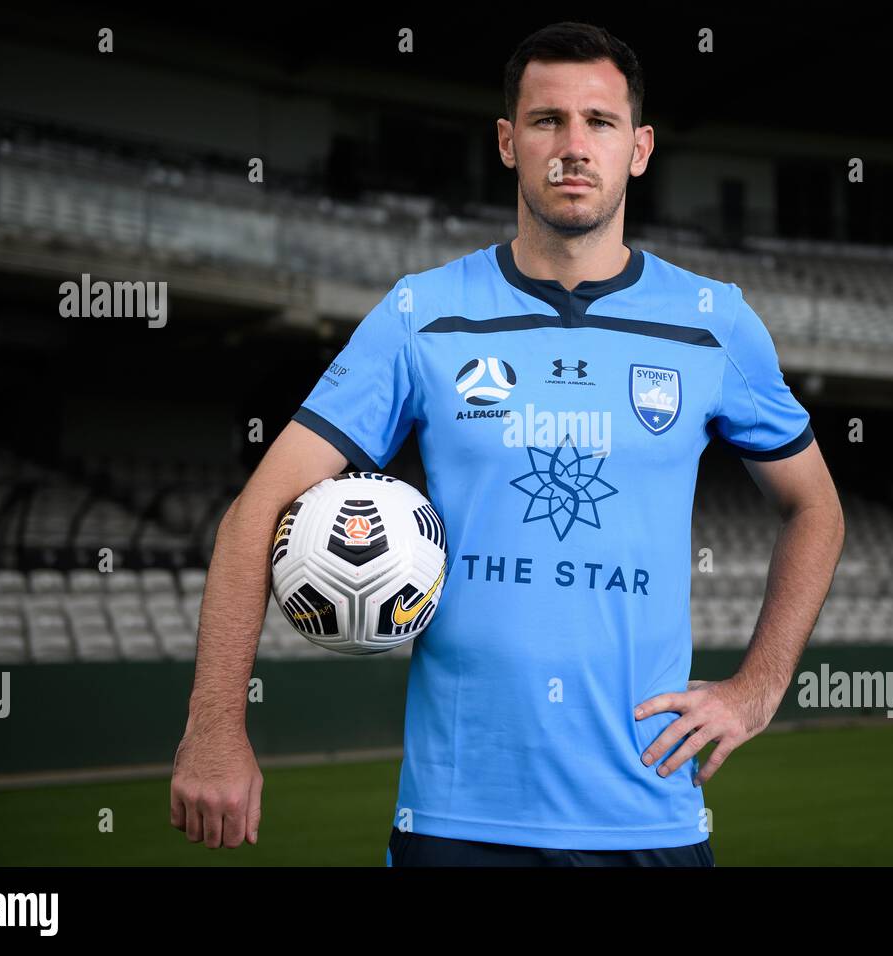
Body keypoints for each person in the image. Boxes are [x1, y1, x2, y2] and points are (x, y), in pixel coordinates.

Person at [171, 20, 845, 867]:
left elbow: (814, 505)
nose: (573, 146)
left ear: (638, 148)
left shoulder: (714, 324)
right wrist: (214, 731)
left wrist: (757, 690)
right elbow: (256, 514)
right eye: (546, 121)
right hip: (457, 821)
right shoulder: (424, 313)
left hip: (650, 818)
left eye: (598, 123)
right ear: (507, 141)